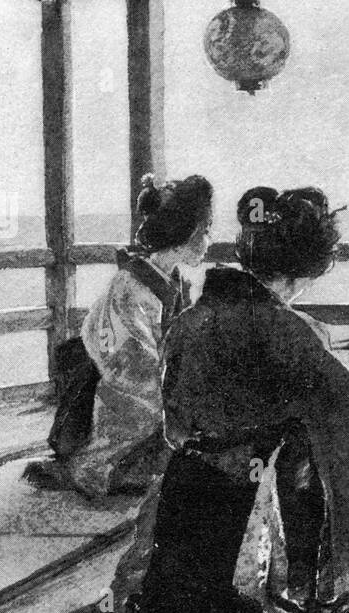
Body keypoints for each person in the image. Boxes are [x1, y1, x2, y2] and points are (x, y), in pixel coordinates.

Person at [60, 186, 349, 613]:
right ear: (312, 267)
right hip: (263, 522)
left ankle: (145, 599)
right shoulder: (288, 329)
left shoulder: (191, 320)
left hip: (187, 507)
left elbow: (175, 424)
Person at [26, 173, 214, 498]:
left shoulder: (172, 282)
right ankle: (94, 467)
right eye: (206, 230)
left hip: (146, 373)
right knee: (156, 408)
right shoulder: (131, 286)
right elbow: (130, 356)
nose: (209, 239)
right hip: (118, 378)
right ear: (185, 233)